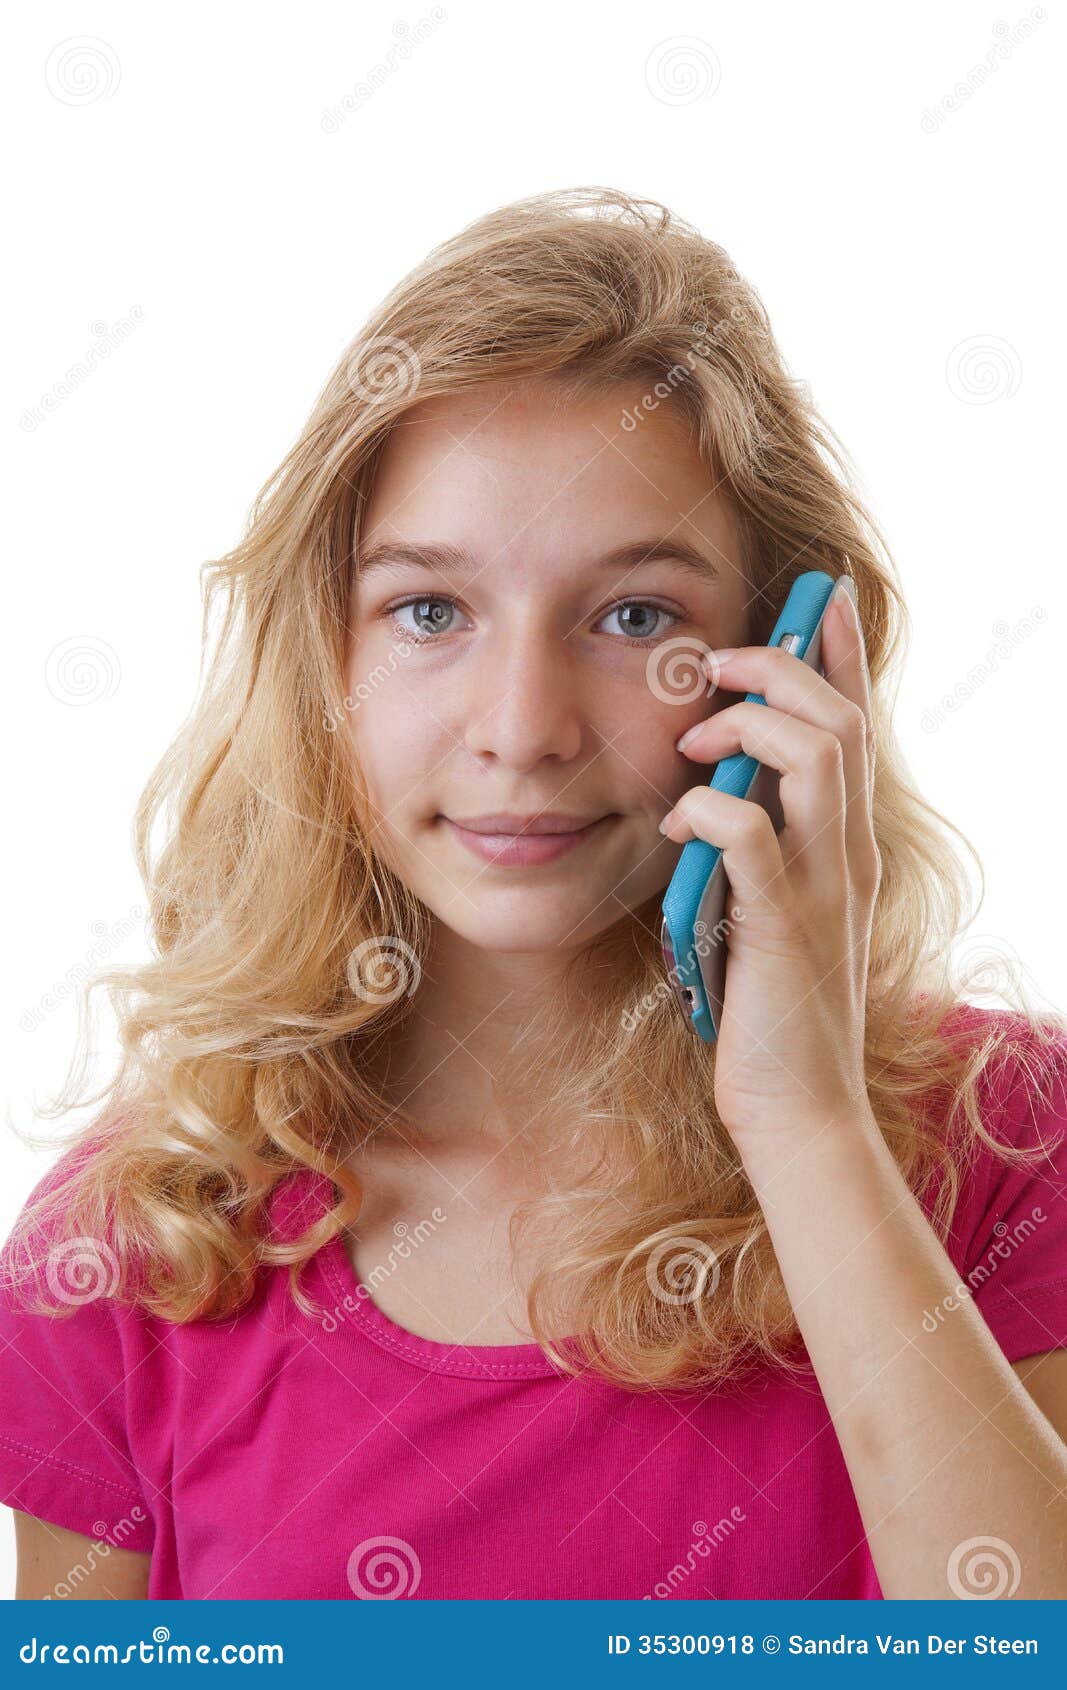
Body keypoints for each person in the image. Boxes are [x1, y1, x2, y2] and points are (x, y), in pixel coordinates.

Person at [2, 187, 1066, 1602]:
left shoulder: (999, 1144)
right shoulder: (133, 1251)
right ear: (326, 661)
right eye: (429, 612)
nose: (521, 726)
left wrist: (806, 1121)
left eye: (636, 617)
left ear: (792, 664)